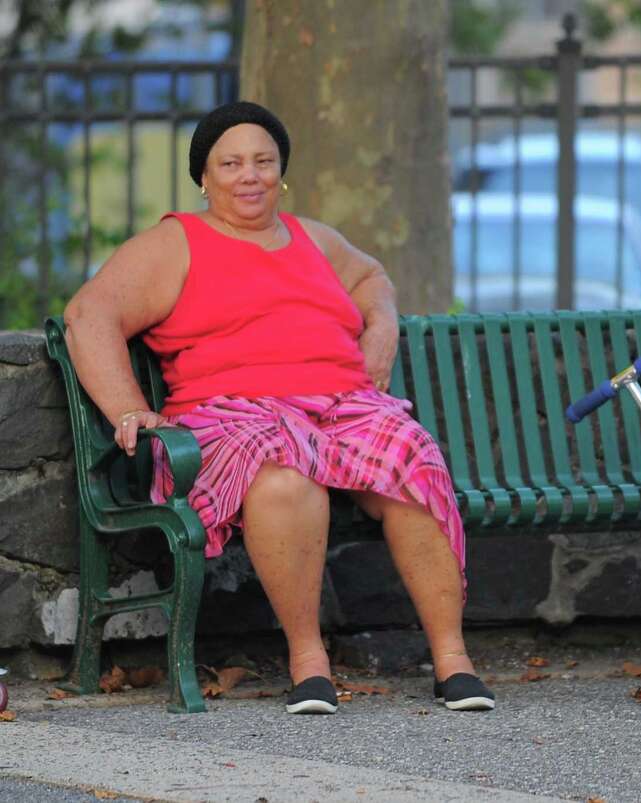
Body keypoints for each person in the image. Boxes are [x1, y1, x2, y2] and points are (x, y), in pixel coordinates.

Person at [61, 101, 494, 715]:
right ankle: (308, 660)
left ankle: (453, 660)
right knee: (284, 475)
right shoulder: (174, 243)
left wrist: (380, 328)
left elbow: (373, 279)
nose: (249, 175)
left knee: (412, 456)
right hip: (234, 412)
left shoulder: (314, 238)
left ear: (281, 172)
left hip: (341, 405)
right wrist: (131, 409)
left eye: (263, 161)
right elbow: (89, 315)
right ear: (203, 178)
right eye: (231, 163)